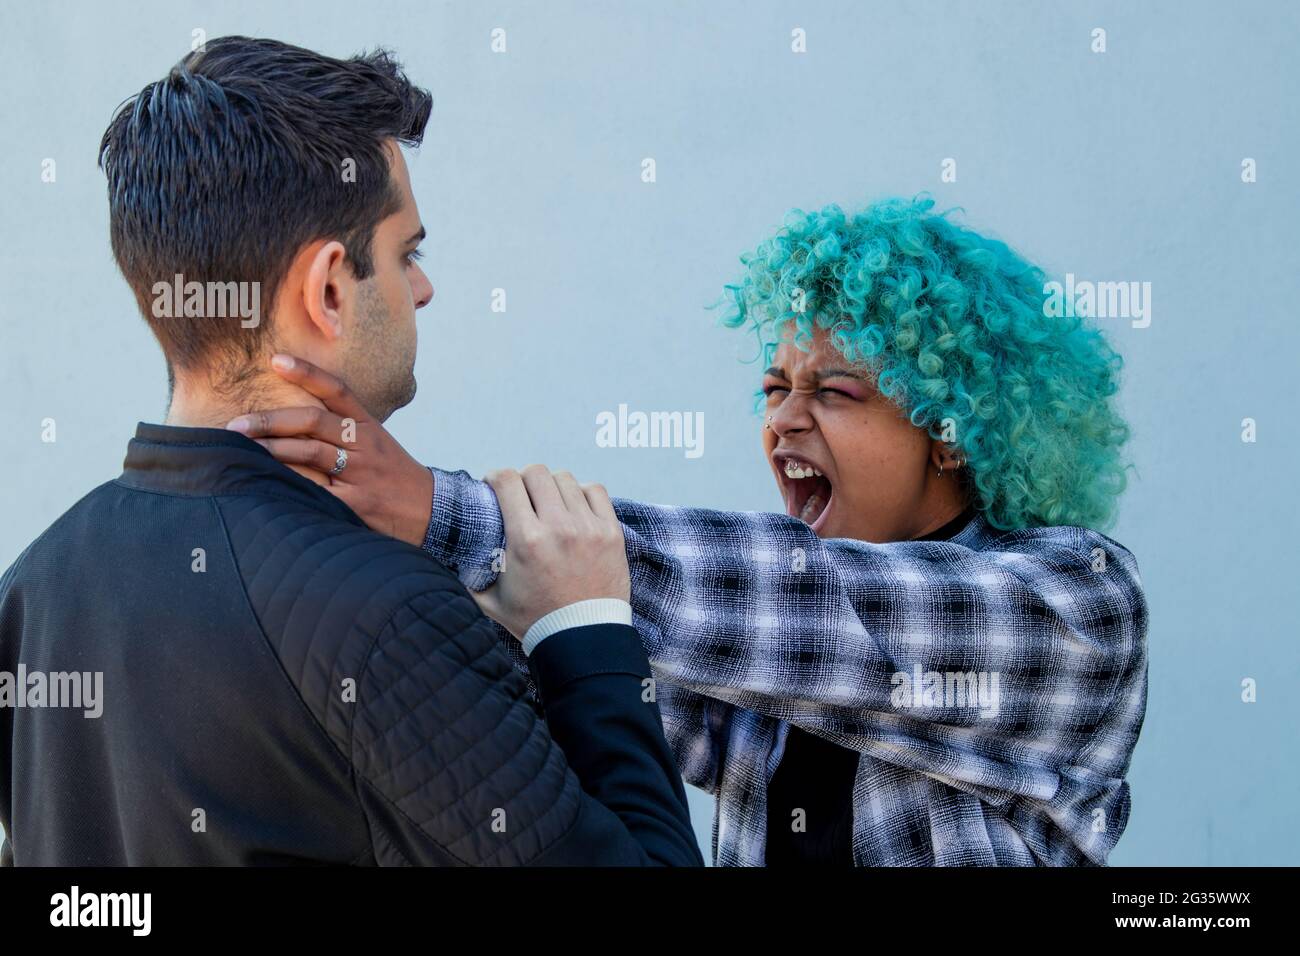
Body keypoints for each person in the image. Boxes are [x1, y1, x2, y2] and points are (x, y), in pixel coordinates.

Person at [236, 197, 1150, 866]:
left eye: (834, 391)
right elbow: (585, 683)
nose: (785, 420)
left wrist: (439, 507)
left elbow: (808, 604)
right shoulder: (758, 658)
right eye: (773, 389)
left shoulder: (1078, 606)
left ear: (952, 438)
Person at [0, 37, 703, 867]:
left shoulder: (33, 588)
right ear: (329, 289)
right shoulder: (388, 620)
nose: (424, 288)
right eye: (409, 253)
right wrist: (583, 630)